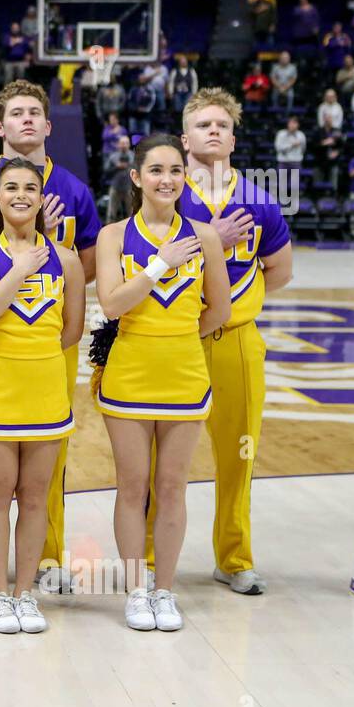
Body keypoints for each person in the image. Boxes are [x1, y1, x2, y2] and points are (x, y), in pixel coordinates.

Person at [0, 79, 101, 598]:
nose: (28, 120)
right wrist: (18, 268)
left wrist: (59, 257)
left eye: (36, 112)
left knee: (39, 483)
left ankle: (44, 563)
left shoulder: (75, 188)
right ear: (0, 125)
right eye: (18, 113)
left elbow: (86, 277)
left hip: (47, 352)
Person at [155, 88, 292, 597]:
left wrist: (233, 307)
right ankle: (151, 558)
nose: (213, 131)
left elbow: (279, 270)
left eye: (222, 125)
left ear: (233, 137)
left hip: (235, 340)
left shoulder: (259, 199)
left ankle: (233, 557)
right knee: (160, 458)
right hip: (174, 341)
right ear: (185, 137)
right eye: (203, 124)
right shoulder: (163, 193)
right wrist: (212, 240)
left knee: (239, 454)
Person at [93, 133, 230, 630]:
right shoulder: (113, 236)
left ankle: (165, 590)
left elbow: (221, 308)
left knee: (172, 487)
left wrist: (175, 337)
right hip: (129, 374)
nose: (167, 179)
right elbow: (111, 304)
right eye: (156, 170)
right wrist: (159, 264)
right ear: (136, 177)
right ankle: (135, 590)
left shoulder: (206, 237)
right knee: (132, 487)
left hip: (185, 374)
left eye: (175, 170)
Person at [0, 157, 85, 633]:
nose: (20, 194)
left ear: (41, 198)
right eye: (10, 187)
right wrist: (17, 273)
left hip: (46, 389)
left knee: (36, 497)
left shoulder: (68, 258)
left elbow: (71, 330)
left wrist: (38, 358)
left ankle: (26, 592)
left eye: (29, 188)